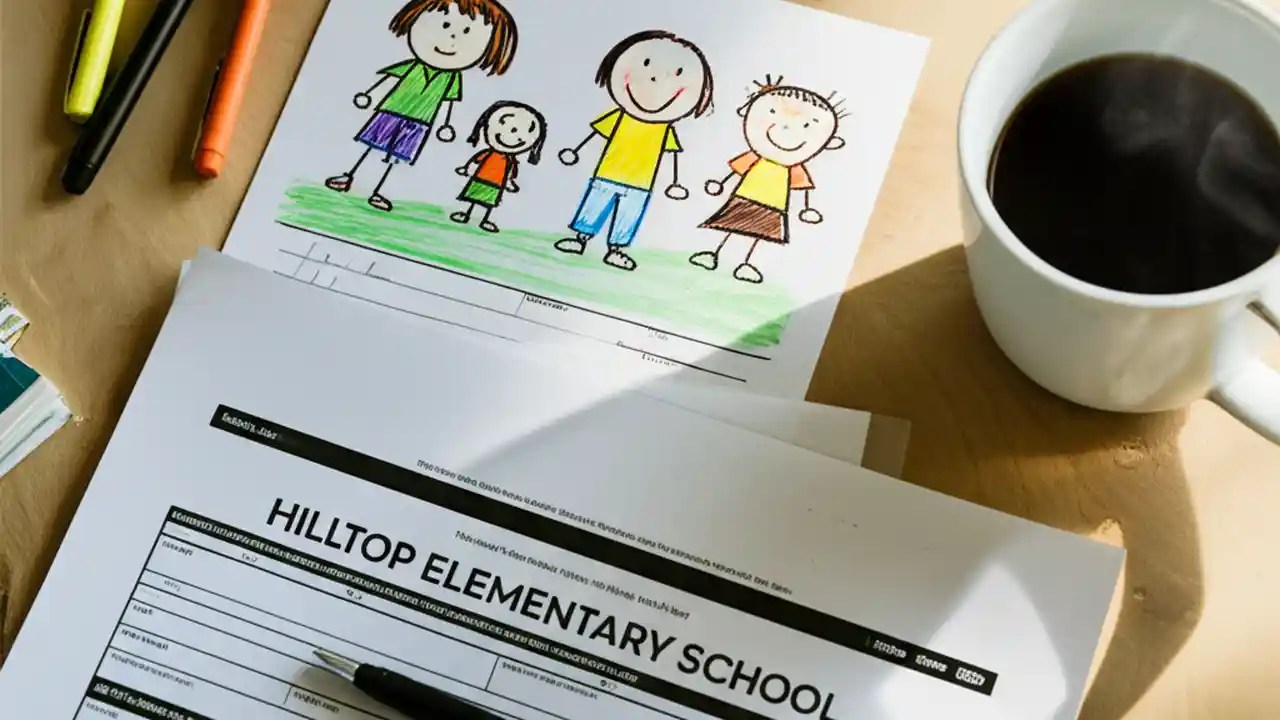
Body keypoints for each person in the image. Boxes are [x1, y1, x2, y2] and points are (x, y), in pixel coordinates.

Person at [323, 0, 518, 212]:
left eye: (467, 32)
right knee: (371, 146)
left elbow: (449, 101)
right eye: (445, 26)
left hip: (420, 122)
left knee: (396, 158)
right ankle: (349, 176)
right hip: (390, 111)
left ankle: (378, 190)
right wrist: (368, 95)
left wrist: (445, 125)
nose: (452, 38)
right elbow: (389, 79)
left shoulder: (451, 77)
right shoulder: (413, 66)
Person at [555, 30, 715, 272]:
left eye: (678, 74)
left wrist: (675, 182)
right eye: (646, 64)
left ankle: (616, 250)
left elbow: (671, 155)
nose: (656, 79)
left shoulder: (664, 129)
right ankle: (580, 239)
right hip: (607, 174)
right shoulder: (620, 117)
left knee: (627, 217)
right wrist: (575, 151)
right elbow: (596, 133)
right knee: (594, 205)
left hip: (641, 183)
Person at [690, 76, 846, 284]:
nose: (787, 131)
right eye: (773, 115)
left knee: (759, 235)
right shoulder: (757, 157)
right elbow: (738, 169)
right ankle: (713, 254)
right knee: (730, 226)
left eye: (807, 126)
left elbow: (803, 186)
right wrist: (720, 183)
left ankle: (747, 263)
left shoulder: (793, 167)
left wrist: (807, 208)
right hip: (745, 196)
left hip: (773, 205)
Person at [450, 101, 548, 233]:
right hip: (480, 178)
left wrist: (509, 183)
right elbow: (477, 161)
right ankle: (466, 214)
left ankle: (484, 219)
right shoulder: (490, 154)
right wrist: (467, 169)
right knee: (473, 197)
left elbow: (509, 174)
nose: (514, 137)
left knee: (489, 203)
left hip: (496, 184)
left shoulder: (510, 161)